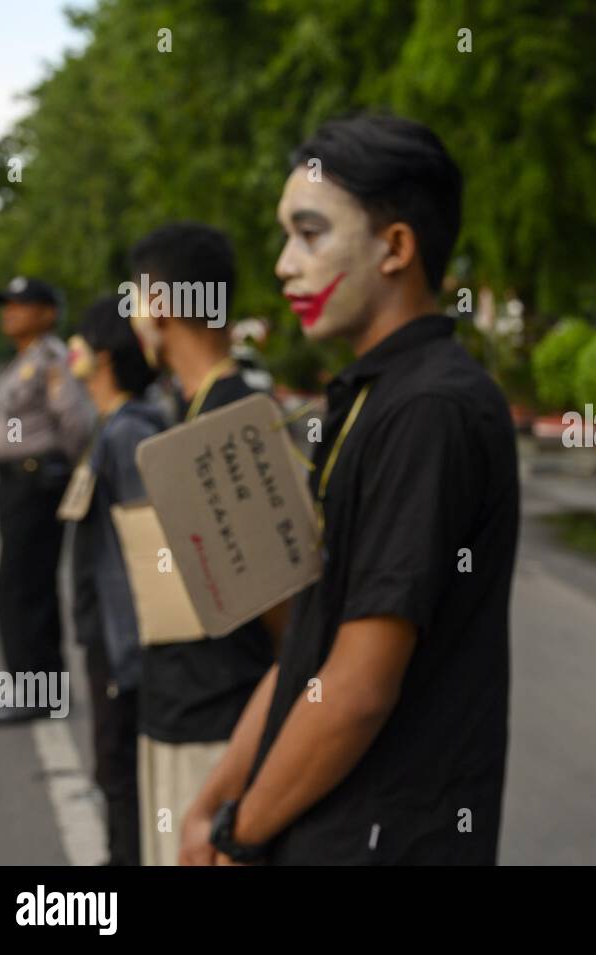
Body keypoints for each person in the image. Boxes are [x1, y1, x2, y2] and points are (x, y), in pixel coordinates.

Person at [180, 114, 519, 865]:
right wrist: (213, 800)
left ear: (396, 246)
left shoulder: (431, 408)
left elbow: (359, 686)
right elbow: (310, 643)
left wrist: (240, 831)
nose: (283, 265)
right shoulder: (367, 396)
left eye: (308, 234)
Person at [126, 223, 277, 864]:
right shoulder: (197, 412)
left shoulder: (228, 427)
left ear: (157, 303)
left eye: (134, 296)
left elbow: (289, 622)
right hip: (183, 714)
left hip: (217, 734)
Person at [65, 295, 166, 865]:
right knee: (115, 763)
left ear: (102, 357)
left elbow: (147, 549)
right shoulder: (116, 425)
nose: (69, 351)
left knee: (120, 766)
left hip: (124, 640)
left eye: (78, 341)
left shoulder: (129, 433)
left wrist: (129, 648)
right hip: (111, 632)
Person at [0, 276, 94, 725]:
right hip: (16, 485)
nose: (10, 311)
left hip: (35, 485)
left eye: (21, 304)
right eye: (7, 304)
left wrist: (63, 471)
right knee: (28, 587)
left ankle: (36, 693)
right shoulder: (24, 360)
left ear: (47, 312)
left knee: (19, 588)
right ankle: (44, 690)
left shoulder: (52, 358)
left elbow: (77, 421)